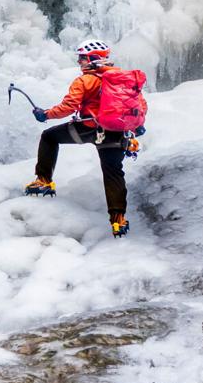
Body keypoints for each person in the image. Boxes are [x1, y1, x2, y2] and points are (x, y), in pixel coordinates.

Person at [25, 40, 143, 238]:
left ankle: (44, 181)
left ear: (92, 59)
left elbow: (69, 106)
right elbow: (140, 105)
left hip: (88, 129)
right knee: (113, 173)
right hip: (116, 133)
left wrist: (46, 114)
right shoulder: (123, 79)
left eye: (82, 58)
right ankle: (118, 220)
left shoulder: (85, 81)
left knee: (49, 136)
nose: (79, 62)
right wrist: (136, 127)